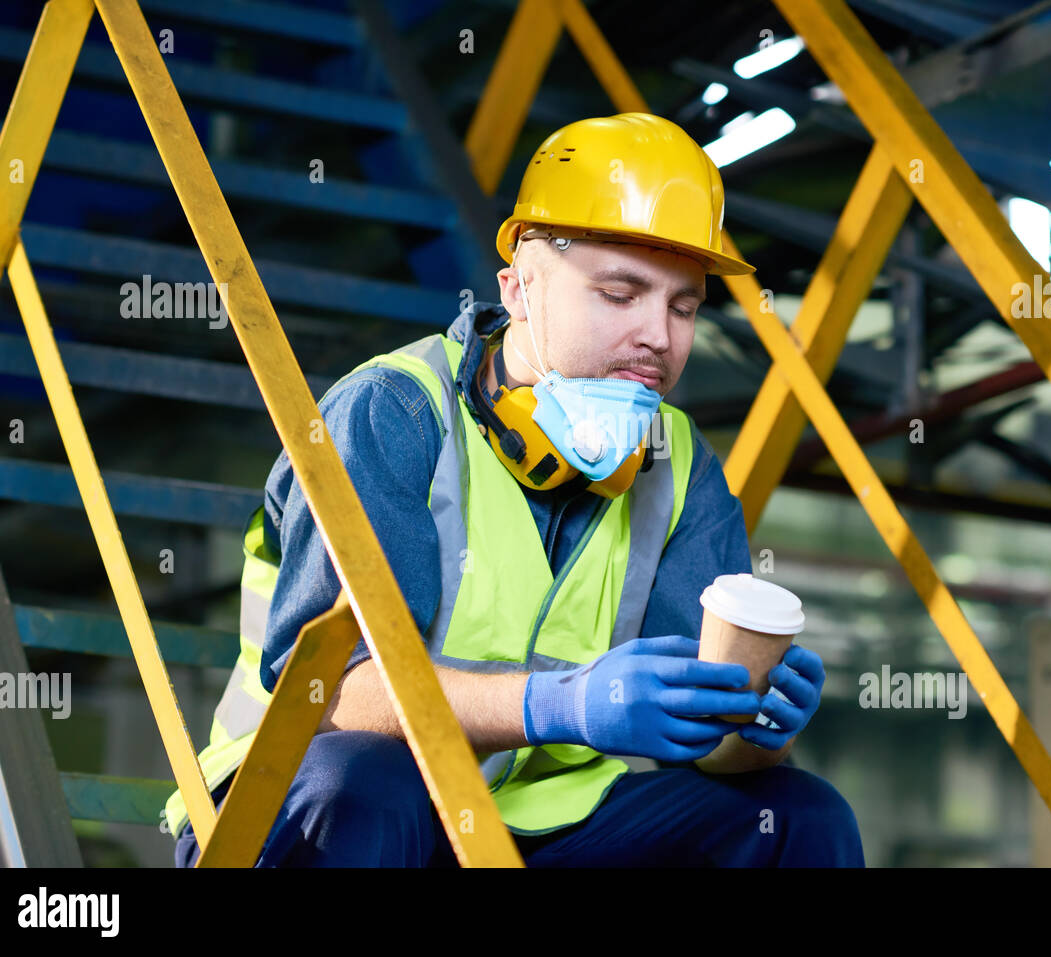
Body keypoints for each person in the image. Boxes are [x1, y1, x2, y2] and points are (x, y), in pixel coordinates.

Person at [165, 112, 864, 867]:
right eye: (621, 293)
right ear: (520, 288)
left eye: (683, 306)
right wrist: (561, 705)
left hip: (526, 833)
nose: (660, 337)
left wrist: (757, 725)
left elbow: (711, 749)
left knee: (797, 815)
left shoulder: (678, 461)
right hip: (298, 804)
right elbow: (334, 698)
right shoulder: (394, 411)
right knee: (363, 783)